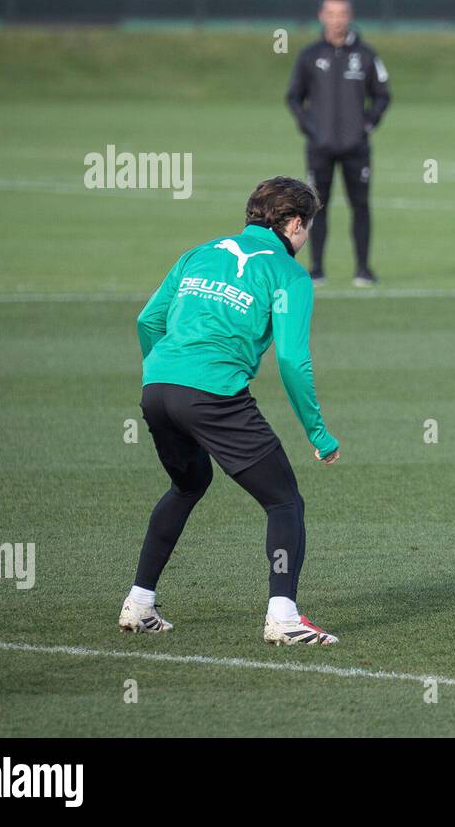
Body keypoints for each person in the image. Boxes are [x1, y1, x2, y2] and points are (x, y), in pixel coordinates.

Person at [120, 176, 344, 645]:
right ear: (297, 224)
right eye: (309, 228)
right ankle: (283, 618)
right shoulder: (287, 272)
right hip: (213, 395)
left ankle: (140, 604)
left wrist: (165, 374)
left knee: (188, 484)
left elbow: (148, 320)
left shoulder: (199, 252)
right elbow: (291, 360)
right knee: (284, 501)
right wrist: (318, 434)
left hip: (157, 385)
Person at [286, 0, 391, 286]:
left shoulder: (367, 55)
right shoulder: (309, 56)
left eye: (342, 13)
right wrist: (309, 126)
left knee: (361, 205)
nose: (337, 20)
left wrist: (367, 124)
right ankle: (316, 268)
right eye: (331, 14)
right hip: (320, 147)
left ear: (350, 15)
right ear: (322, 16)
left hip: (356, 147)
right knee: (315, 206)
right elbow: (293, 96)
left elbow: (383, 95)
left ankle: (363, 269)